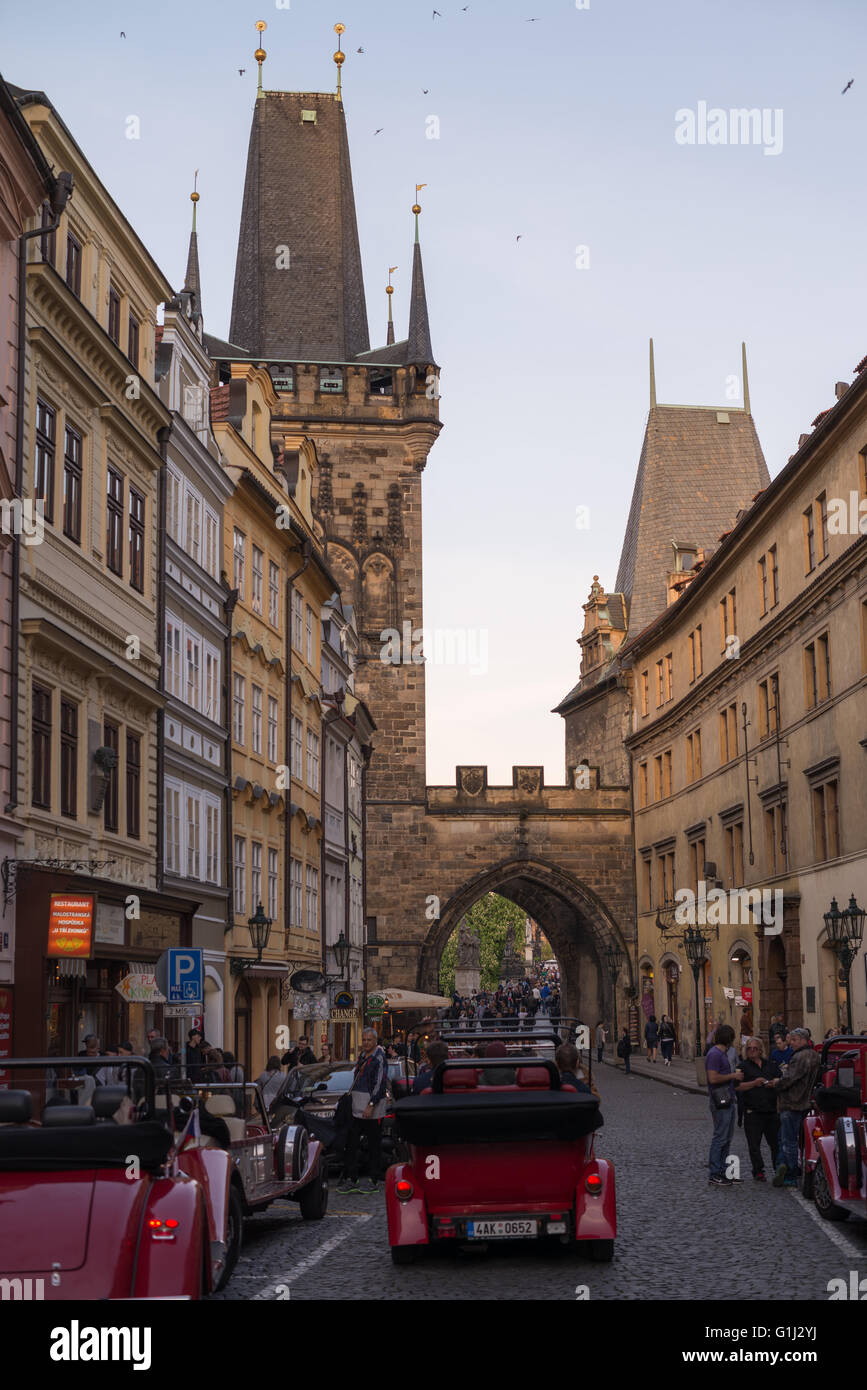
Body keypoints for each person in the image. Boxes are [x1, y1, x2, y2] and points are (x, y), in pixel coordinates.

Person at [337, 1028, 388, 1195]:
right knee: (351, 1143)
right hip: (356, 1107)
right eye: (364, 1040)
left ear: (375, 1041)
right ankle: (352, 1179)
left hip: (371, 1108)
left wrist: (371, 1104)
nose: (366, 1043)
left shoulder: (379, 1058)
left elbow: (380, 1084)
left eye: (369, 1040)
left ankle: (373, 1180)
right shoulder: (361, 1056)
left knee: (373, 1145)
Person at [768, 1027, 821, 1187]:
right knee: (788, 1138)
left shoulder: (800, 1057)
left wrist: (776, 1083)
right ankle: (782, 1165)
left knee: (788, 1140)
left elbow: (789, 1079)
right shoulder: (814, 1055)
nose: (791, 1043)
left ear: (803, 1040)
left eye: (794, 1040)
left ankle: (789, 1173)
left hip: (792, 1102)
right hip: (804, 1102)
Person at [736, 1037, 781, 1181]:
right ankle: (758, 1170)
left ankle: (778, 1168)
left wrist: (774, 1083)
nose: (752, 1051)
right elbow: (737, 1087)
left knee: (775, 1143)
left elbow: (780, 1079)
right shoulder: (742, 1067)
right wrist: (754, 1083)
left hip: (771, 1110)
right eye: (749, 1048)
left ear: (760, 1050)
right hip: (752, 1110)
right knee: (754, 1144)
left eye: (755, 1048)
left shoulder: (770, 1065)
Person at [706, 1024, 743, 1186]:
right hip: (720, 1100)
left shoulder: (721, 1053)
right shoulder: (714, 1054)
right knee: (720, 1137)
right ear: (729, 1039)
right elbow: (713, 1078)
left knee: (726, 1138)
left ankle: (723, 1170)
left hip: (727, 1098)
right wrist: (732, 1075)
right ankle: (715, 1172)